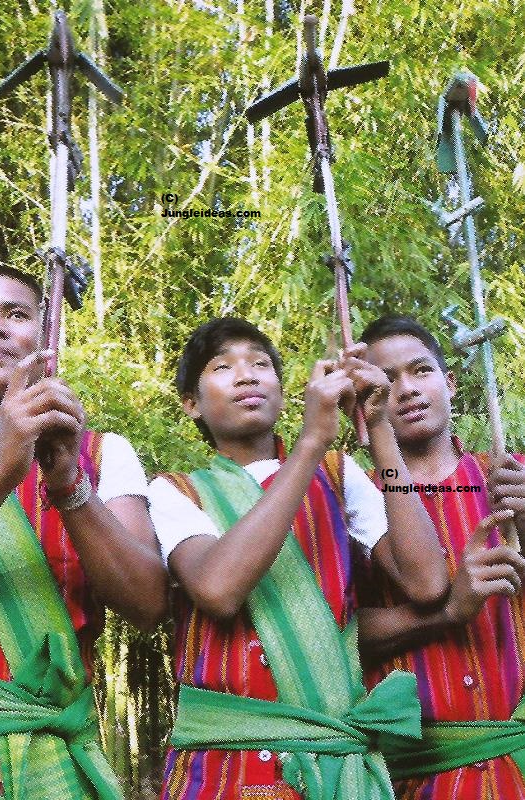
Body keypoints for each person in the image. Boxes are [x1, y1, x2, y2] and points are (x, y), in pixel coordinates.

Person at [147, 316, 449, 800]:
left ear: (285, 394)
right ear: (192, 405)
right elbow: (218, 590)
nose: (247, 375)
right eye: (223, 367)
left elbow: (428, 582)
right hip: (223, 765)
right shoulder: (174, 491)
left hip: (335, 761)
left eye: (261, 364)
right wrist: (310, 444)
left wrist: (378, 428)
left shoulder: (339, 473)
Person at [0, 266, 167, 800]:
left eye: (16, 314)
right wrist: (1, 472)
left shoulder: (102, 452)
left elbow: (147, 603)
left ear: (49, 340)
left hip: (61, 752)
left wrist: (69, 485)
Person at [353, 314, 525, 799]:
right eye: (386, 381)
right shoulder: (350, 499)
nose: (405, 389)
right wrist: (444, 614)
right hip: (412, 777)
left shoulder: (509, 476)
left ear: (449, 383)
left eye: (420, 370)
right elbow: (337, 638)